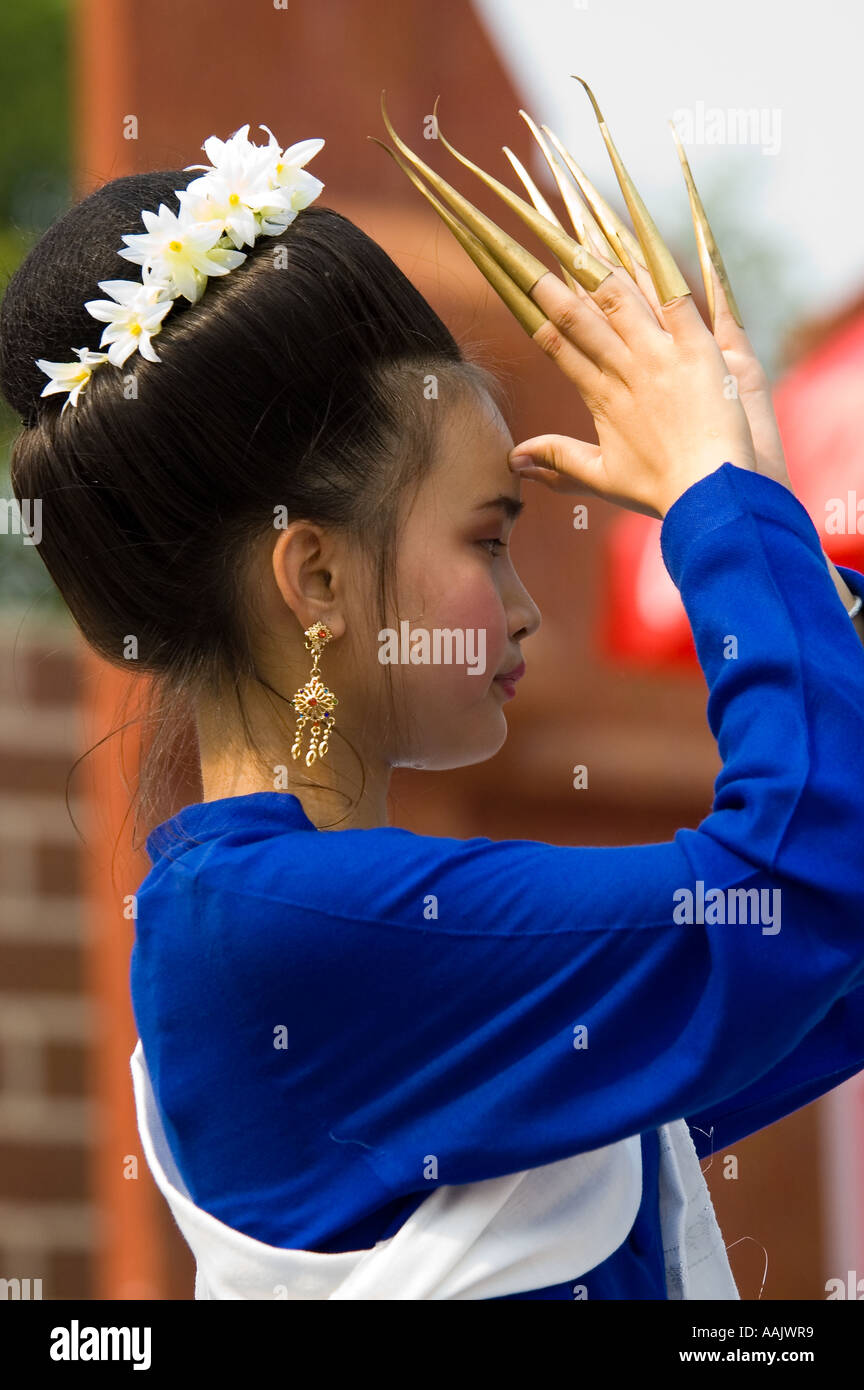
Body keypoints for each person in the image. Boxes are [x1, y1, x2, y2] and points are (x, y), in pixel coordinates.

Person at [2, 125, 863, 1301]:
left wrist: (782, 553)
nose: (523, 611)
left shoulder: (309, 932)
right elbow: (795, 892)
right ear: (314, 578)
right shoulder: (270, 935)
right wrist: (723, 512)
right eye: (488, 539)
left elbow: (823, 945)